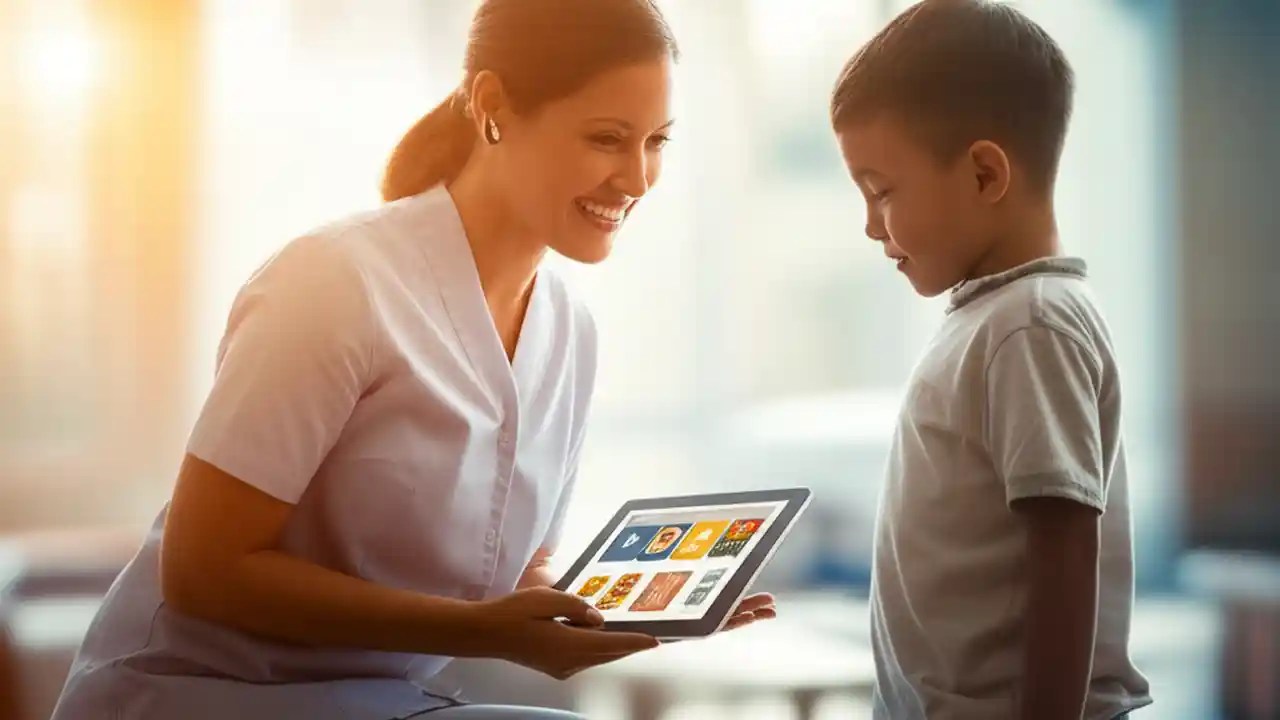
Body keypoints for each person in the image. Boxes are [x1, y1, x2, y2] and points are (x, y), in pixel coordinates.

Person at [52, 1, 775, 718]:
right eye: (608, 138)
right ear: (493, 106)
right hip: (199, 694)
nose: (639, 178)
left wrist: (616, 612)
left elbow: (522, 569)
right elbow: (202, 573)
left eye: (657, 141)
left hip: (376, 702)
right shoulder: (337, 281)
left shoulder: (570, 334)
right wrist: (479, 633)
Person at [828, 2, 1152, 718]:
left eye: (882, 192)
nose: (870, 224)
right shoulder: (991, 318)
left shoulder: (1031, 323)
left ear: (983, 173)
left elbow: (1064, 548)